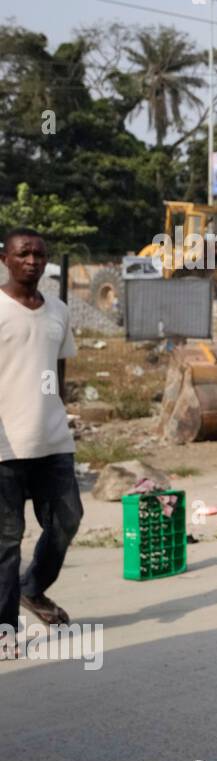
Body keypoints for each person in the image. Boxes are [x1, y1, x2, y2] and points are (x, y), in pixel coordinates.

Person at [0, 227, 83, 654]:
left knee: (67, 520)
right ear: (5, 260)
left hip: (53, 440)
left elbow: (56, 369)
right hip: (4, 447)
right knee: (6, 539)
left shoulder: (58, 311)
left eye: (39, 254)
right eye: (23, 254)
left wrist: (61, 412)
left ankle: (33, 588)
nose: (32, 261)